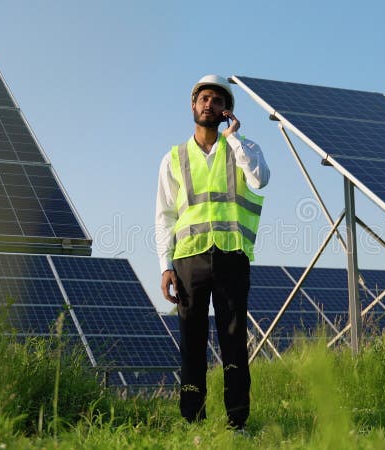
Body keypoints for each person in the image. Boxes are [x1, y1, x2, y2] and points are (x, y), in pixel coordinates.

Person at [155, 74, 270, 429]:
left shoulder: (242, 148)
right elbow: (164, 216)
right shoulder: (173, 158)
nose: (209, 104)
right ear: (193, 105)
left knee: (233, 342)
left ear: (226, 112)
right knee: (191, 343)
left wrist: (233, 138)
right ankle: (193, 422)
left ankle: (237, 423)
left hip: (232, 257)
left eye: (217, 101)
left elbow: (260, 180)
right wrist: (165, 266)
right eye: (204, 98)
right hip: (188, 261)